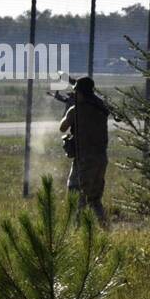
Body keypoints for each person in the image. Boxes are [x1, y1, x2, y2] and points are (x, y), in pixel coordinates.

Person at [58, 75, 111, 226]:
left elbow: (62, 127)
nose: (75, 95)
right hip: (101, 159)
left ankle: (77, 231)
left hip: (84, 161)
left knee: (76, 197)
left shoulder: (76, 110)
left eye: (77, 93)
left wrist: (68, 107)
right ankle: (105, 228)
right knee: (95, 201)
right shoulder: (101, 108)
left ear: (81, 93)